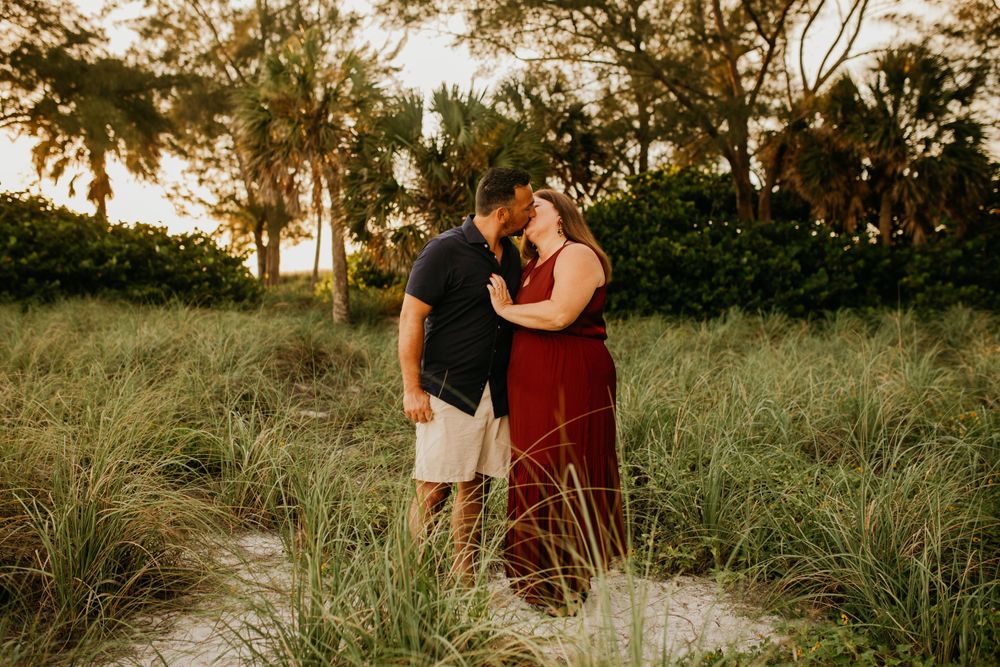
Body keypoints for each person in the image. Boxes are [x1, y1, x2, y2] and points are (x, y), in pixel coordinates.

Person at [486, 189, 625, 616]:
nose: (528, 214)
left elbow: (560, 314)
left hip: (571, 377)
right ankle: (536, 577)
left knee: (565, 467)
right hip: (531, 384)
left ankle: (567, 581)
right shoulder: (531, 266)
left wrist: (504, 311)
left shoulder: (577, 255)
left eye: (536, 208)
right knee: (533, 468)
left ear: (560, 217)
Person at [400, 167, 537, 580]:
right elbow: (410, 318)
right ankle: (414, 574)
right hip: (448, 389)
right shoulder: (443, 250)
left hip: (495, 392)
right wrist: (411, 389)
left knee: (476, 485)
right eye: (526, 207)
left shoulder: (510, 254)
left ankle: (465, 574)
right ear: (501, 213)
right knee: (434, 487)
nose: (530, 214)